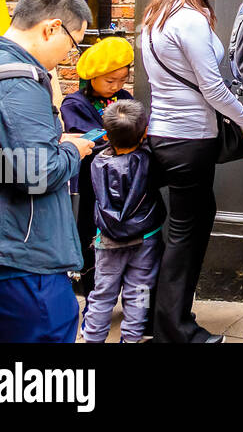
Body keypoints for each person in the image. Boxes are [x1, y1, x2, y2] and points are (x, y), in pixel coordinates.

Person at [0, 0, 95, 342]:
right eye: (74, 44)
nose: (68, 57)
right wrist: (74, 151)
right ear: (51, 28)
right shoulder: (18, 82)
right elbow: (37, 174)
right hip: (15, 261)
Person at [141, 0, 243, 343]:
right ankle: (175, 329)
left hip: (166, 135)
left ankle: (166, 319)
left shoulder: (157, 14)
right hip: (189, 140)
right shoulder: (189, 19)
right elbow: (212, 88)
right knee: (185, 237)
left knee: (184, 229)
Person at [80, 100, 165, 343]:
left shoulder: (97, 162)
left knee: (102, 293)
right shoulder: (148, 160)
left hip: (107, 240)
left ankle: (93, 338)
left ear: (106, 134)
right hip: (145, 238)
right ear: (145, 132)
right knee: (139, 293)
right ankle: (131, 338)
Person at [60, 35, 134, 295]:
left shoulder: (124, 98)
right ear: (92, 77)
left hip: (120, 181)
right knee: (89, 233)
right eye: (110, 80)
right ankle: (92, 289)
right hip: (90, 180)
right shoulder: (75, 103)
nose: (117, 86)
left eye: (122, 80)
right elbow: (89, 139)